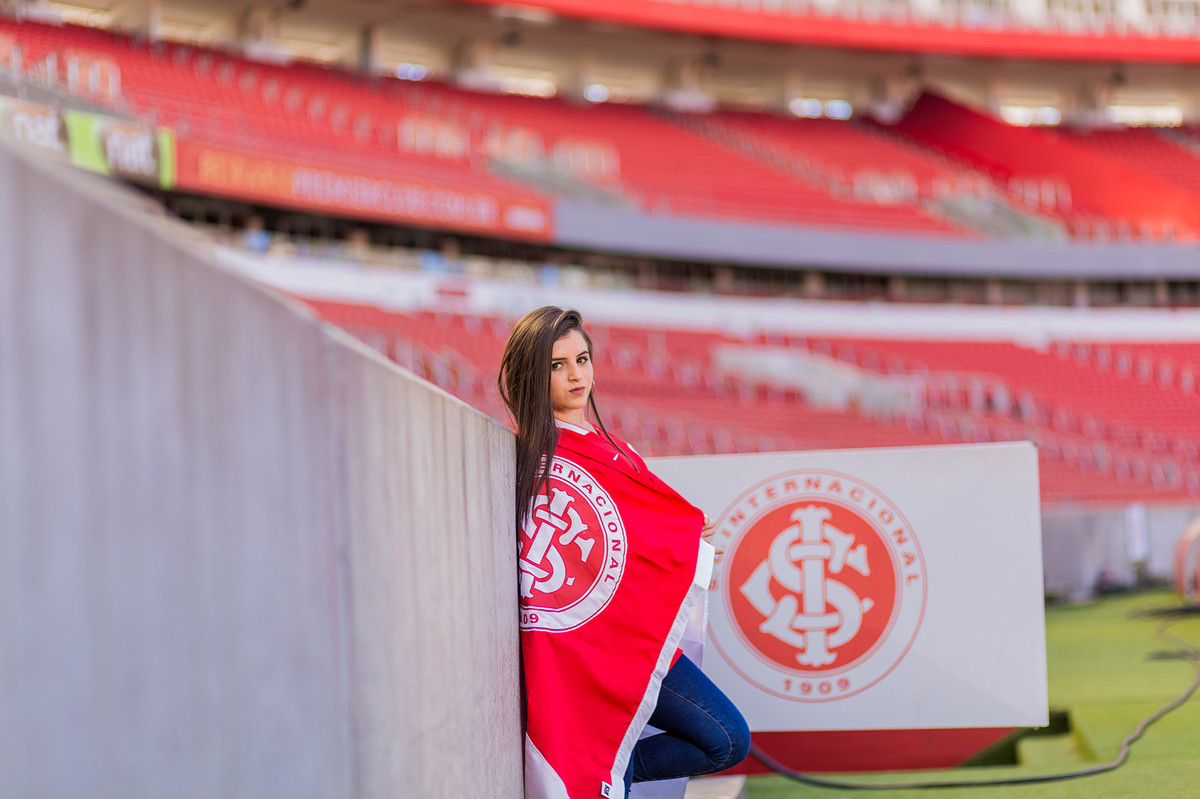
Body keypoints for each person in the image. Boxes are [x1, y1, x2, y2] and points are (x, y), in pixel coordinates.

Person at [498, 305, 750, 799]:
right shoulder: (542, 458)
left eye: (582, 359)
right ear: (533, 374)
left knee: (726, 740)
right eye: (557, 364)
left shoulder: (611, 447)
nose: (576, 375)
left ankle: (609, 773)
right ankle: (606, 775)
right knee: (725, 737)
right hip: (596, 646)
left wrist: (683, 541)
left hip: (637, 635)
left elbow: (632, 534)